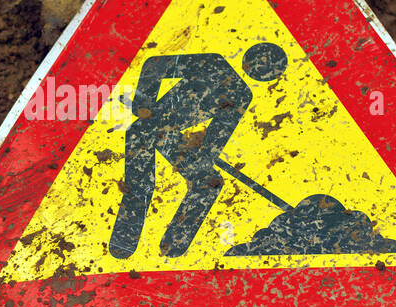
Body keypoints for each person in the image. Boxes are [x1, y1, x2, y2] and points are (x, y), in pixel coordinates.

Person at [109, 43, 287, 258]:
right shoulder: (213, 63)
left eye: (269, 67)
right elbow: (155, 64)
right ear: (250, 56)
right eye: (262, 61)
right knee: (141, 185)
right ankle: (125, 241)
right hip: (144, 129)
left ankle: (172, 246)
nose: (261, 67)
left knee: (208, 183)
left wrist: (203, 159)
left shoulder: (242, 94)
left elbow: (216, 138)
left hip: (167, 135)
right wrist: (145, 99)